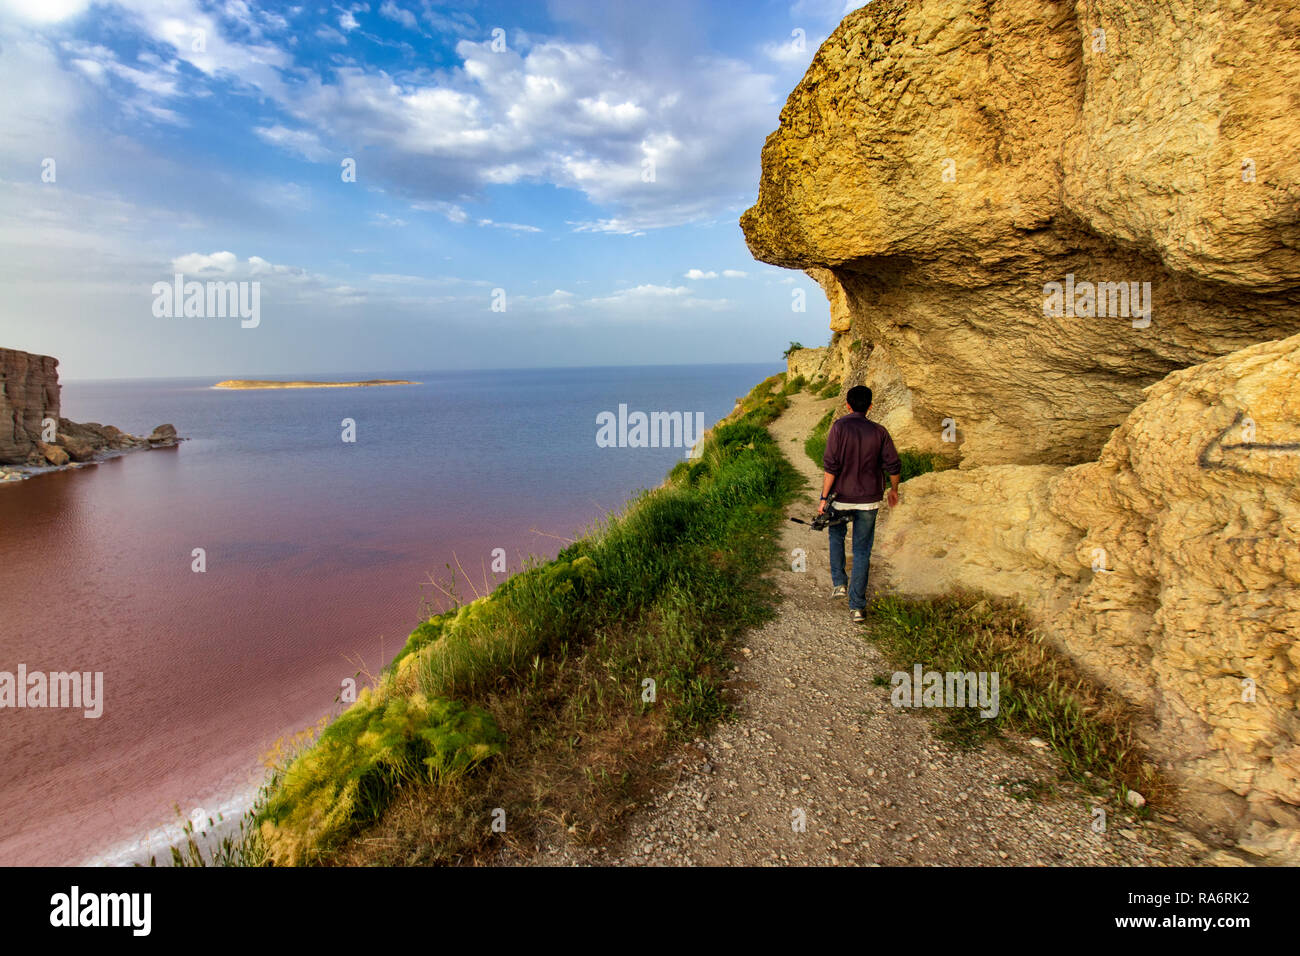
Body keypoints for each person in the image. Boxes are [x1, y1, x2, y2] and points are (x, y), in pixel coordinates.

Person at [818, 385, 901, 623]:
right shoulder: (879, 431)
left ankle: (839, 584)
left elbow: (831, 466)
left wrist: (823, 498)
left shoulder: (839, 427)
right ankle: (857, 607)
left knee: (836, 536)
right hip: (869, 500)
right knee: (862, 550)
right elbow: (893, 465)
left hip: (841, 498)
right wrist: (894, 490)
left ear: (848, 405)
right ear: (871, 406)